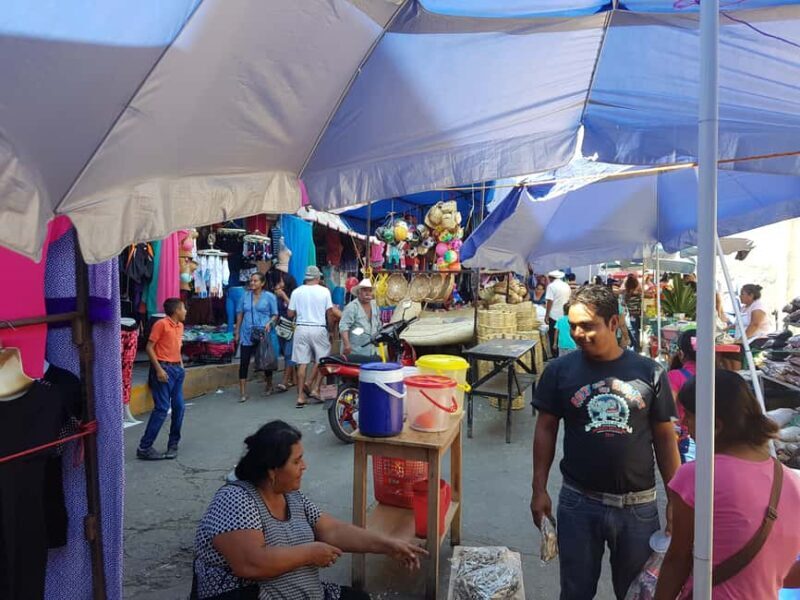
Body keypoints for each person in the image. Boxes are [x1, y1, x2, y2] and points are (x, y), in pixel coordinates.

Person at [531, 285, 680, 600]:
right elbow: (545, 428)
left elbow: (666, 439)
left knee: (636, 593)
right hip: (577, 504)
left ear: (614, 323)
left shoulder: (649, 372)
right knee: (575, 591)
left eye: (588, 325)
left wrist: (676, 500)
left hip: (637, 508)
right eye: (573, 326)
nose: (579, 334)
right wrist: (538, 488)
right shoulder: (559, 371)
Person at [193, 421, 427, 599]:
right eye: (296, 461)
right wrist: (309, 553)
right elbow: (252, 564)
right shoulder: (236, 499)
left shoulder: (292, 497)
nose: (304, 466)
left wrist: (388, 545)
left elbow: (333, 530)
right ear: (272, 470)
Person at [654, 371, 800, 599]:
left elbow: (677, 560)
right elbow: (786, 570)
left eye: (689, 416)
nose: (683, 423)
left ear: (716, 425)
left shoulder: (697, 476)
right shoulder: (789, 480)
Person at [137, 297, 187, 460]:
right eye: (183, 308)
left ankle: (173, 443)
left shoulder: (180, 326)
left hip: (176, 369)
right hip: (163, 368)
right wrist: (158, 369)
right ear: (176, 311)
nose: (185, 311)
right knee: (162, 408)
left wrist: (180, 365)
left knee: (179, 407)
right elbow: (149, 347)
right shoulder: (161, 324)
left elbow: (177, 346)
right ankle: (144, 447)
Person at [288, 266, 341, 408]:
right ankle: (314, 387)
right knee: (322, 358)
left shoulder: (296, 292)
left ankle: (300, 396)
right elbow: (330, 313)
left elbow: (290, 314)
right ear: (318, 278)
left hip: (301, 328)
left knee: (302, 363)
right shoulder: (324, 291)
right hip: (318, 328)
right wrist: (331, 330)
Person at [234, 273, 278, 402]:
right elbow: (240, 315)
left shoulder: (270, 297)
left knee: (265, 360)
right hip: (247, 332)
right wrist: (237, 332)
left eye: (255, 281)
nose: (252, 283)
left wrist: (270, 323)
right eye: (251, 281)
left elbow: (275, 314)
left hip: (263, 332)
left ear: (262, 283)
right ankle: (243, 392)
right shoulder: (245, 296)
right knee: (244, 361)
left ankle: (269, 385)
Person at [667, 329, 696, 463]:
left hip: (686, 438)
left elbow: (669, 413)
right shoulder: (718, 374)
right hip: (717, 438)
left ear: (681, 353)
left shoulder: (675, 377)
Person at [339, 279, 380, 360]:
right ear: (358, 293)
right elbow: (343, 326)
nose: (368, 293)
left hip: (372, 350)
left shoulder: (375, 306)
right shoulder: (352, 307)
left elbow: (378, 324)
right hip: (355, 350)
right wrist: (347, 345)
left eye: (370, 290)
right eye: (364, 290)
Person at [270, 269, 297, 393]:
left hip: (290, 326)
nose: (278, 284)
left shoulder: (294, 295)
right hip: (278, 327)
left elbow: (294, 311)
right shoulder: (273, 295)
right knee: (285, 352)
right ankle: (292, 379)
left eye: (280, 281)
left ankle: (284, 381)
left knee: (288, 353)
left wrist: (284, 297)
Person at [544, 270, 572, 357]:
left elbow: (550, 301)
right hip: (565, 314)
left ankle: (555, 355)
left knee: (553, 335)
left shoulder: (551, 286)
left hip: (554, 315)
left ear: (551, 278)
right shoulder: (566, 285)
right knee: (565, 333)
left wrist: (547, 315)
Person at [622, 274, 643, 353]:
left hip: (631, 316)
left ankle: (636, 349)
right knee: (638, 332)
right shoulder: (639, 293)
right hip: (640, 315)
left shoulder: (626, 294)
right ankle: (637, 348)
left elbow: (623, 304)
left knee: (634, 333)